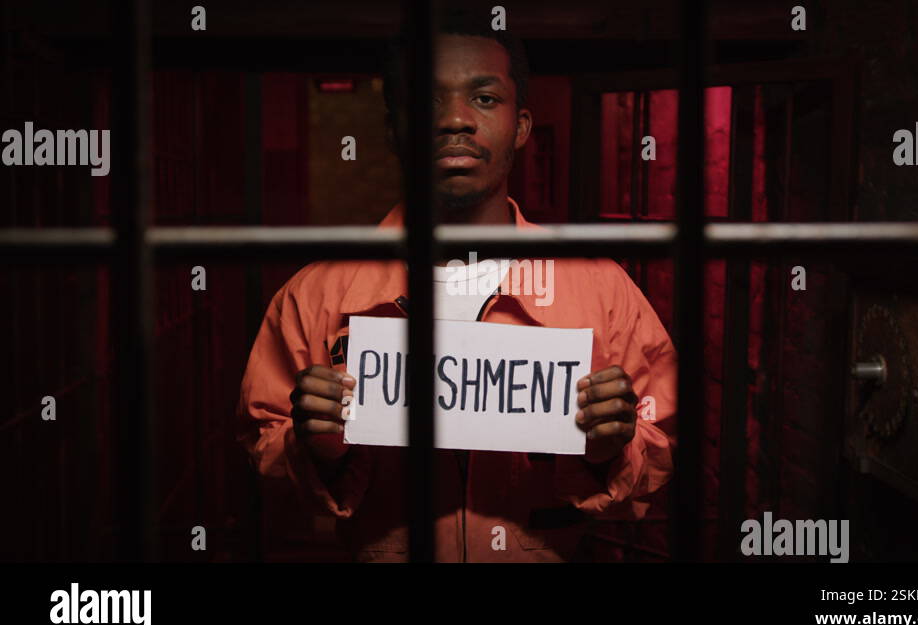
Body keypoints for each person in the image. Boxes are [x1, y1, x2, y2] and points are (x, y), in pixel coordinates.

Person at [236, 14, 678, 562]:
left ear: (521, 126)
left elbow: (660, 449)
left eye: (484, 98)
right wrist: (319, 450)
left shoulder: (600, 288)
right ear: (395, 129)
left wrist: (608, 451)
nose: (454, 120)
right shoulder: (316, 294)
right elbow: (262, 456)